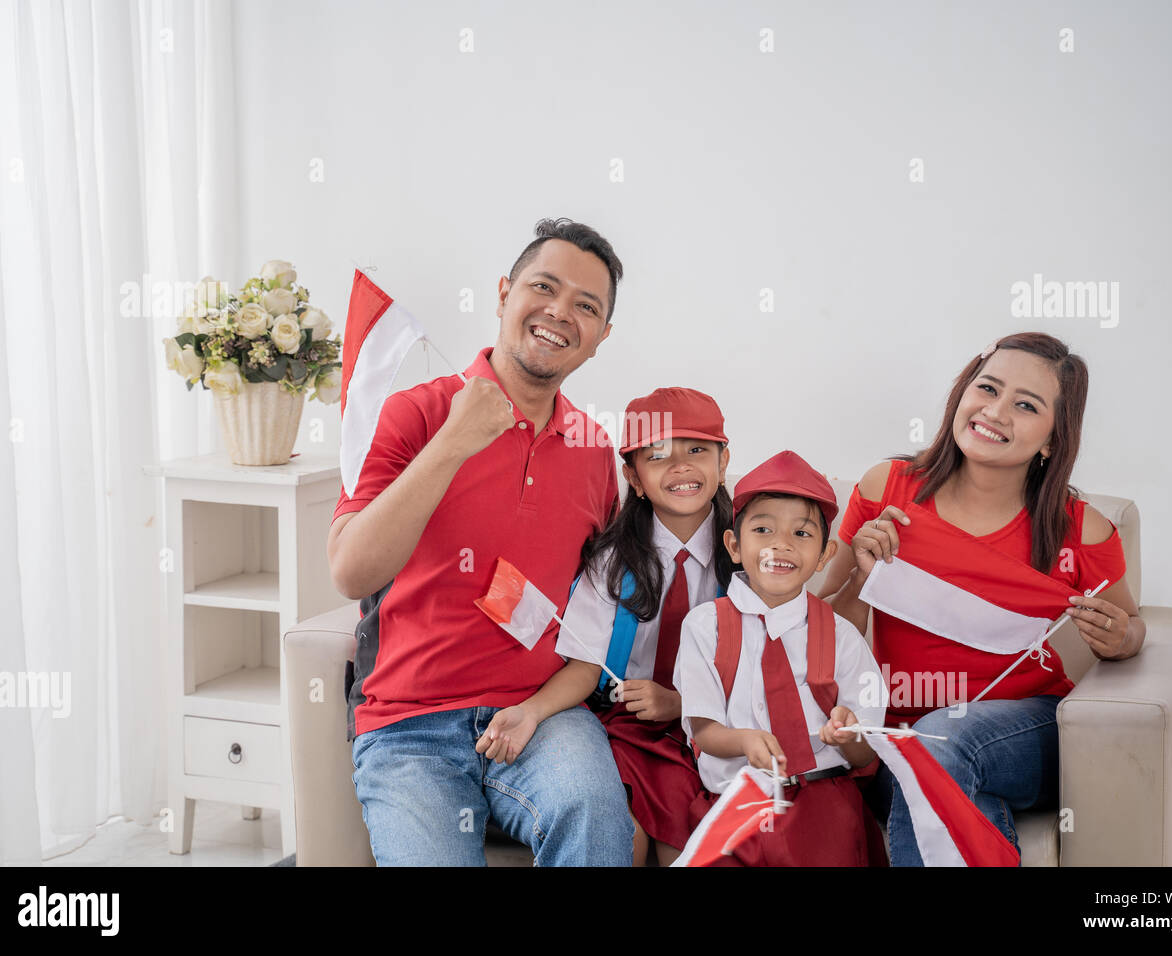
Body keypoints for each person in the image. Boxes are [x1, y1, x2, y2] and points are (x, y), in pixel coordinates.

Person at [326, 218, 634, 866]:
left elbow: (596, 616)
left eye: (586, 306)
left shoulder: (596, 453)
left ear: (602, 338)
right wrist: (456, 440)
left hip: (539, 716)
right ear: (503, 294)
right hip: (410, 724)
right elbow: (351, 571)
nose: (559, 312)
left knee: (594, 813)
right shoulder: (418, 412)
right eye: (543, 287)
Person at [818, 332, 1145, 865]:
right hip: (892, 736)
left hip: (1027, 729)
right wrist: (860, 573)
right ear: (960, 395)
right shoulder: (888, 489)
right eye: (987, 388)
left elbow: (1131, 628)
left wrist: (1119, 636)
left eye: (1025, 405)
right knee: (942, 773)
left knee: (939, 741)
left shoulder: (1080, 530)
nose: (995, 411)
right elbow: (820, 629)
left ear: (1052, 439)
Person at [675, 450, 889, 866]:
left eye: (802, 534)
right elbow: (703, 730)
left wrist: (851, 734)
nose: (781, 544)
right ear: (735, 545)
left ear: (825, 556)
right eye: (763, 529)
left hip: (823, 800)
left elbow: (867, 754)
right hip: (737, 800)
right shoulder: (704, 627)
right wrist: (745, 740)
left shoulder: (841, 636)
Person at [556, 387, 734, 866]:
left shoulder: (746, 560)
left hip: (710, 725)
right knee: (621, 833)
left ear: (724, 461)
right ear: (633, 477)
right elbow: (584, 664)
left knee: (690, 844)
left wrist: (680, 703)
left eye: (697, 449)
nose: (679, 466)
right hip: (620, 723)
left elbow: (767, 670)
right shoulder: (610, 563)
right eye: (657, 456)